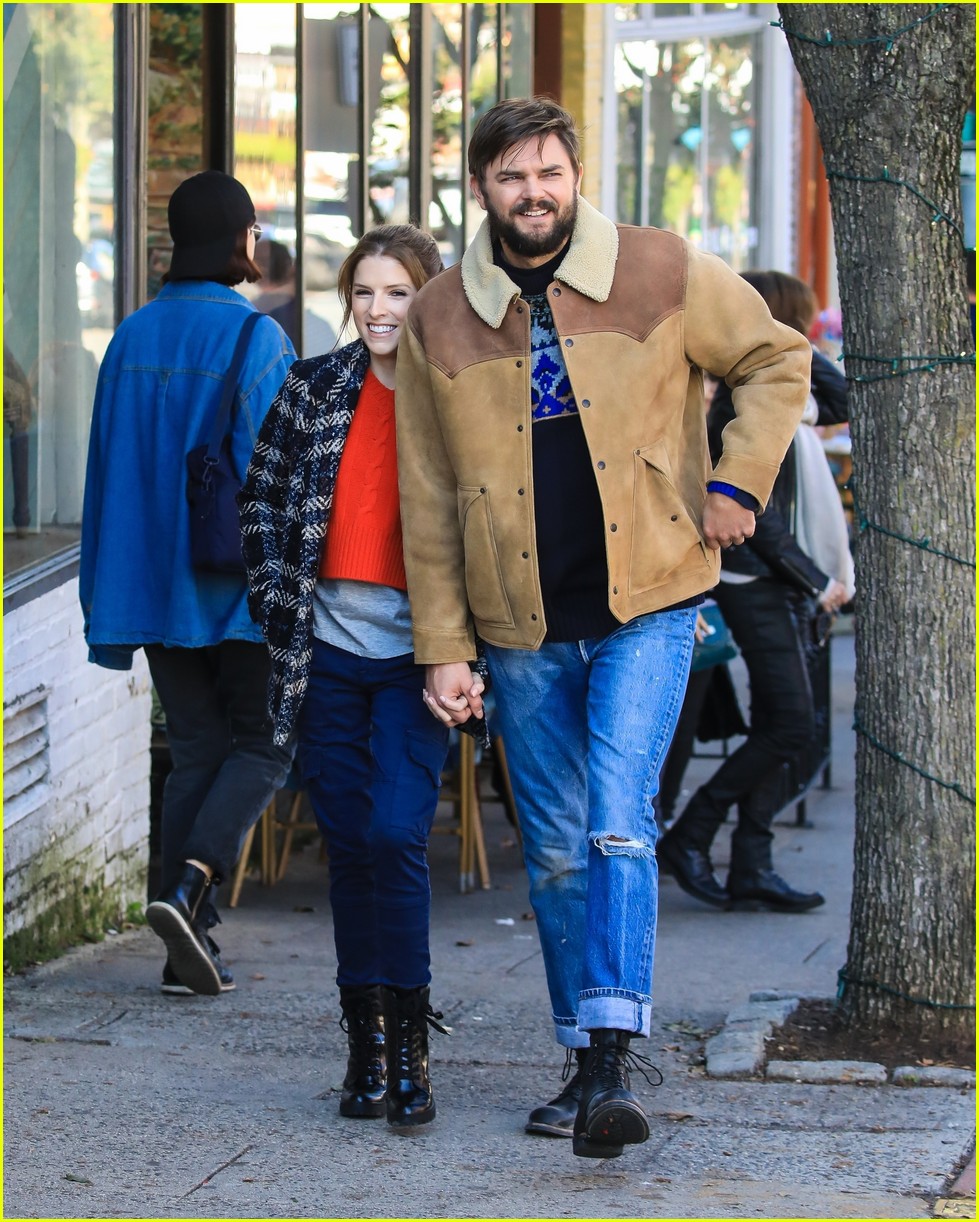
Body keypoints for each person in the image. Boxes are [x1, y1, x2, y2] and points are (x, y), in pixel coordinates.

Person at [394, 97, 812, 1159]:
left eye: (548, 173)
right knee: (552, 854)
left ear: (573, 174)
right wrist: (443, 645)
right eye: (509, 178)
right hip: (520, 625)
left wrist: (736, 485)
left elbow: (776, 359)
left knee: (617, 817)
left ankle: (615, 1050)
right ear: (479, 189)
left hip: (650, 601)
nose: (532, 193)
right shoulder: (441, 313)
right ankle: (584, 1061)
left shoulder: (660, 268)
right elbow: (428, 494)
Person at [238, 224, 473, 1129]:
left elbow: (493, 529)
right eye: (365, 292)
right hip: (328, 654)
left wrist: (472, 652)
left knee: (394, 834)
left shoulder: (454, 398)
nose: (378, 310)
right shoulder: (313, 386)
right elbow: (259, 494)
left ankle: (411, 1046)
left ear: (429, 300)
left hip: (419, 656)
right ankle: (365, 1050)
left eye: (398, 293)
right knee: (348, 845)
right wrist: (276, 601)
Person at [79, 170, 296, 997]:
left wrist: (104, 587)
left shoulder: (130, 336)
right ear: (237, 240)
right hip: (236, 588)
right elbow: (275, 480)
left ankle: (184, 947)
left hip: (152, 584)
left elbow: (104, 471)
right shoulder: (257, 341)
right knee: (268, 743)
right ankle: (187, 889)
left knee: (198, 747)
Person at [659, 270, 853, 914]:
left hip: (777, 583)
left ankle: (753, 862)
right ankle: (694, 831)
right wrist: (814, 578)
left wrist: (794, 347)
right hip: (751, 580)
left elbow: (842, 397)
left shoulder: (782, 394)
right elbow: (756, 511)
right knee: (793, 724)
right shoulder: (731, 407)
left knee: (784, 723)